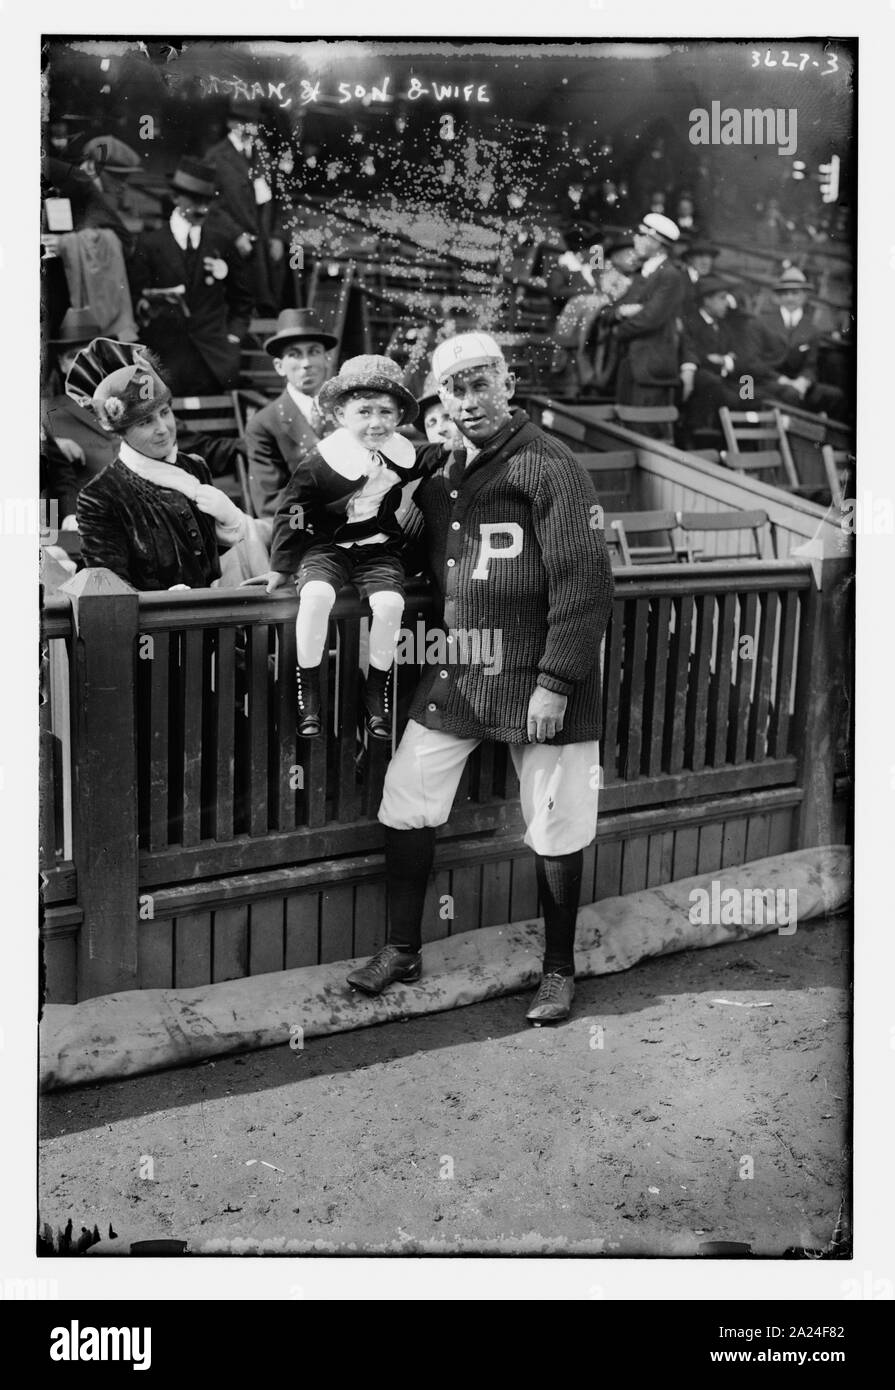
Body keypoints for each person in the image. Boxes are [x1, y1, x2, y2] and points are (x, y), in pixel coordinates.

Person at [345, 332, 614, 1025]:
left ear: (507, 385)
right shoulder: (439, 472)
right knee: (407, 792)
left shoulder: (550, 464)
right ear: (440, 400)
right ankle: (403, 946)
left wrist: (556, 679)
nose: (469, 401)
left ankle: (557, 970)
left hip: (539, 669)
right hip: (462, 664)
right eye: (454, 390)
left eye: (480, 384)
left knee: (556, 818)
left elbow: (584, 581)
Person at [265, 356, 424, 740]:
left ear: (400, 415)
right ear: (340, 413)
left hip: (377, 548)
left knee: (390, 605)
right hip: (327, 546)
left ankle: (377, 689)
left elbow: (429, 468)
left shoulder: (402, 453)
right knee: (316, 596)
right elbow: (295, 509)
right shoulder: (324, 461)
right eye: (364, 411)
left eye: (386, 412)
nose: (376, 422)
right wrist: (284, 562)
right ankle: (309, 687)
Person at [66, 339, 261, 591]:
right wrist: (163, 603)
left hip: (209, 614)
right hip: (152, 626)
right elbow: (108, 588)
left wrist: (227, 524)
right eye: (145, 422)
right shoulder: (100, 495)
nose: (162, 429)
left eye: (165, 412)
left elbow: (200, 557)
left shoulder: (194, 467)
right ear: (122, 431)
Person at [130, 158, 253, 396]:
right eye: (195, 201)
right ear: (176, 198)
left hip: (214, 361)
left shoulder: (221, 243)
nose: (203, 209)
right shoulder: (149, 244)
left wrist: (232, 338)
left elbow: (243, 299)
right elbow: (135, 298)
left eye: (207, 202)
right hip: (165, 361)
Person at [244, 308, 338, 518]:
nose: (306, 363)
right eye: (294, 355)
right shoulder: (264, 424)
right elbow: (270, 504)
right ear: (279, 366)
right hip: (303, 531)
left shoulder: (347, 411)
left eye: (313, 351)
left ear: (327, 358)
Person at [204, 98, 286, 316]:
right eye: (246, 122)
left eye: (256, 123)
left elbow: (279, 201)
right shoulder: (216, 157)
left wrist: (277, 235)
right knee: (242, 306)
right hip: (233, 248)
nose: (253, 128)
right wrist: (236, 234)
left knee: (269, 305)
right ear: (231, 124)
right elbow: (210, 205)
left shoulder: (264, 157)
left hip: (266, 249)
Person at [750, 267, 847, 419]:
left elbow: (810, 366)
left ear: (804, 296)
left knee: (835, 395)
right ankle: (800, 436)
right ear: (779, 297)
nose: (790, 298)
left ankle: (826, 440)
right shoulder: (763, 322)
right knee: (792, 394)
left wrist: (804, 381)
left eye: (795, 293)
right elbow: (755, 362)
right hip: (769, 380)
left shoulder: (812, 329)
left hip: (797, 384)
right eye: (786, 294)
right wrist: (782, 380)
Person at [612, 213, 685, 414]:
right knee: (624, 429)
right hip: (631, 364)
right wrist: (620, 313)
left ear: (657, 242)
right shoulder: (641, 272)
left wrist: (617, 331)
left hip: (651, 368)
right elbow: (615, 308)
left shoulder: (670, 275)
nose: (635, 239)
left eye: (642, 235)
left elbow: (649, 319)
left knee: (644, 432)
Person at [678, 276, 752, 444]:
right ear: (707, 300)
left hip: (725, 377)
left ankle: (743, 442)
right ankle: (718, 441)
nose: (726, 303)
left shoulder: (724, 324)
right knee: (727, 395)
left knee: (750, 387)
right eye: (721, 298)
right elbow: (693, 354)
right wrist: (716, 360)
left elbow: (735, 354)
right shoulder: (690, 322)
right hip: (704, 380)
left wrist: (723, 360)